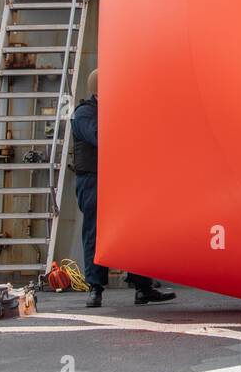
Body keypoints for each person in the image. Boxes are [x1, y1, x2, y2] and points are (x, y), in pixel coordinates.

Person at [71, 69, 175, 307]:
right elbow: (99, 136)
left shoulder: (108, 111)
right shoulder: (84, 114)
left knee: (135, 231)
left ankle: (142, 286)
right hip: (94, 181)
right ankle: (95, 289)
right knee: (95, 234)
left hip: (119, 180)